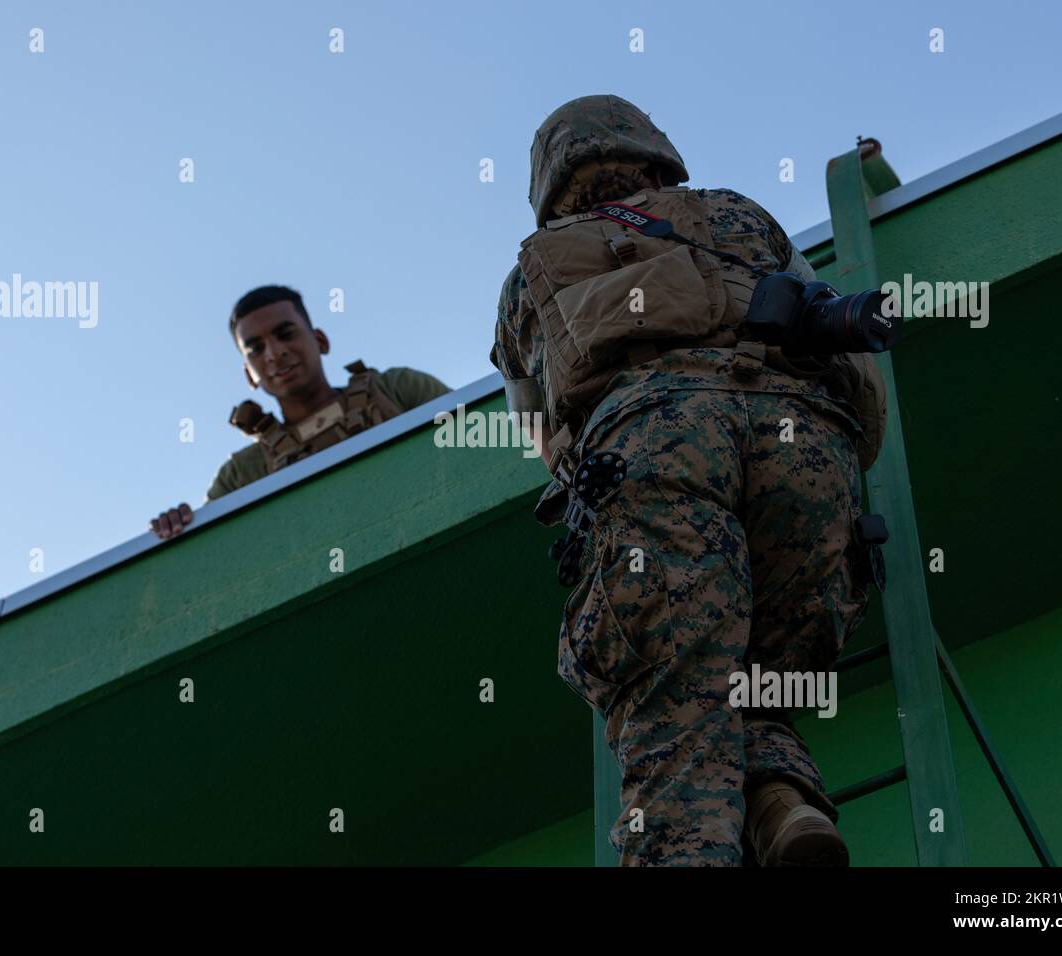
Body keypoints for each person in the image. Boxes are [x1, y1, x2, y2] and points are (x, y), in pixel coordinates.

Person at [490, 95, 888, 866]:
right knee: (772, 676)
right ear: (654, 151)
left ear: (549, 182)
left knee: (673, 691)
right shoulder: (739, 215)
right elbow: (853, 362)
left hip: (658, 442)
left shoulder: (526, 278)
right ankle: (781, 805)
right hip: (804, 446)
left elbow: (539, 431)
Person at [151, 285, 449, 539]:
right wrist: (177, 526)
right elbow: (208, 551)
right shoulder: (242, 475)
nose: (273, 353)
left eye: (285, 333)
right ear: (249, 374)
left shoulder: (396, 389)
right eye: (255, 348)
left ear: (320, 340)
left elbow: (481, 437)